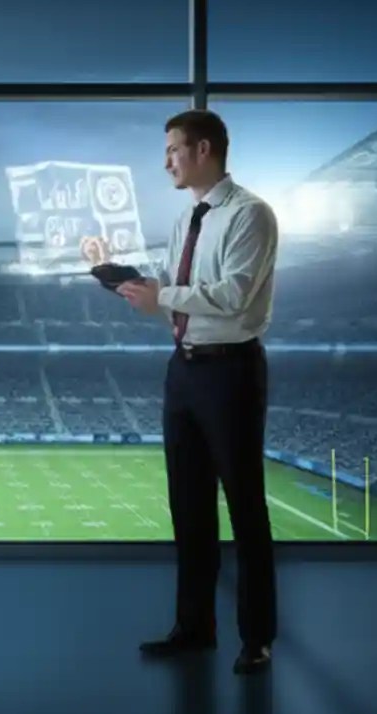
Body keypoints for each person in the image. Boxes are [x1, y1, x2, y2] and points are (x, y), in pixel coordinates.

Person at [113, 108, 280, 675]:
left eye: (173, 150)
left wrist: (164, 296)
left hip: (231, 370)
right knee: (188, 508)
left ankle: (256, 639)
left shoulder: (251, 214)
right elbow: (172, 291)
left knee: (245, 508)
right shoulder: (187, 220)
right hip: (183, 369)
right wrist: (122, 280)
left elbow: (231, 294)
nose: (166, 162)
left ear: (203, 149)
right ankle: (194, 628)